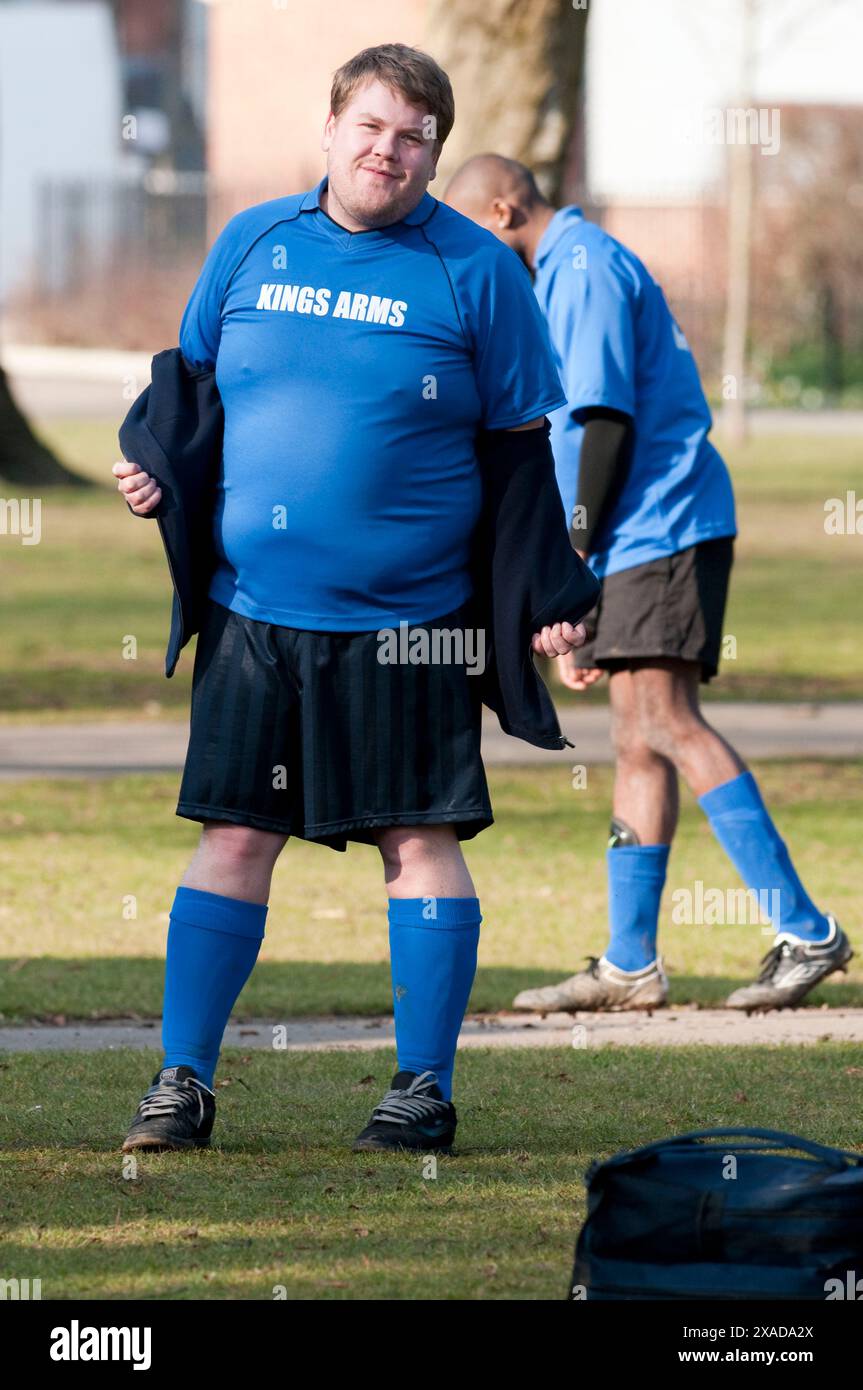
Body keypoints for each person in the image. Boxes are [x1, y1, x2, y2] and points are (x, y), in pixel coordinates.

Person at [112, 48, 587, 1156]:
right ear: (331, 128)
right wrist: (158, 472)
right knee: (232, 837)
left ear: (433, 152)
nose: (389, 148)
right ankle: (181, 1084)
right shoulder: (252, 242)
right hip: (253, 614)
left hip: (409, 624)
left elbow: (523, 456)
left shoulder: (478, 271)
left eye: (414, 134)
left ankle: (419, 1090)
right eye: (371, 125)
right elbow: (184, 392)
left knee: (416, 839)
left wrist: (548, 594)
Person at [445, 154, 852, 1014]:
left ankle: (807, 931)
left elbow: (602, 422)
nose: (465, 253)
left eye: (469, 230)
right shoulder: (567, 267)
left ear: (501, 207)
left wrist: (576, 568)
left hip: (658, 527)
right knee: (634, 739)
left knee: (666, 721)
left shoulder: (582, 267)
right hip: (637, 533)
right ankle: (630, 964)